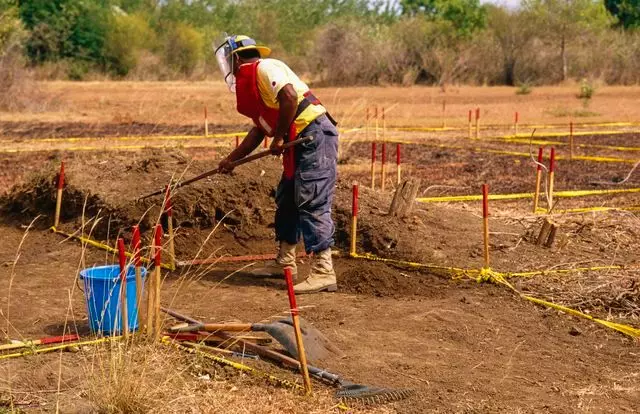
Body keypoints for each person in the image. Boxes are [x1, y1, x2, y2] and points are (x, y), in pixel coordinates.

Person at [215, 35, 339, 294]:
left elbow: (290, 97)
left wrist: (280, 136)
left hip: (313, 135)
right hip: (298, 139)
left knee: (311, 198)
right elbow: (259, 130)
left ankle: (323, 271)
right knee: (288, 198)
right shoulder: (254, 81)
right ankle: (285, 263)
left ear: (235, 58)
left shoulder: (265, 68)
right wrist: (231, 161)